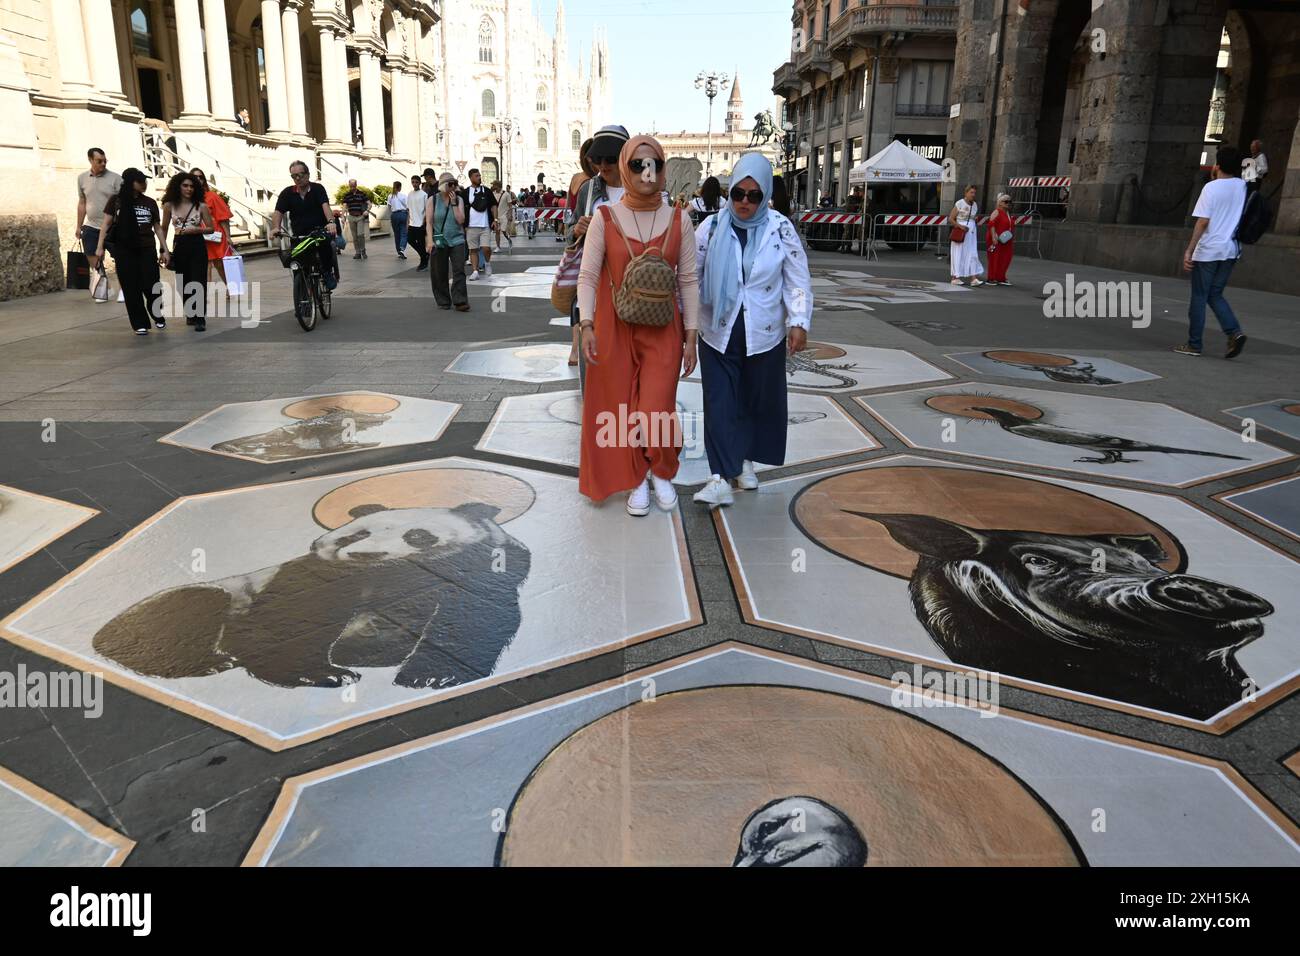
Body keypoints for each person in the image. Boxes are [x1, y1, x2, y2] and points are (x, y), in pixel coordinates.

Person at [577, 134, 700, 517]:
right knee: (619, 407)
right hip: (614, 324)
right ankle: (635, 477)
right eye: (637, 164)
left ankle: (660, 469)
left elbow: (689, 280)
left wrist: (691, 336)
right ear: (627, 168)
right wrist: (585, 324)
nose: (647, 172)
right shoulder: (604, 217)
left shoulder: (679, 218)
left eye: (655, 165)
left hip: (663, 327)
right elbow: (587, 275)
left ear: (662, 169)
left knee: (655, 406)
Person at [692, 153, 811, 508]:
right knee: (719, 402)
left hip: (764, 330)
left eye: (754, 195)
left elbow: (797, 278)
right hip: (717, 330)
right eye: (738, 194)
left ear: (766, 195)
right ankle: (718, 476)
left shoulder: (781, 228)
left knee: (754, 399)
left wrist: (799, 321)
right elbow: (691, 275)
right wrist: (684, 322)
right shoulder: (711, 227)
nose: (745, 202)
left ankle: (744, 460)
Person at [1176, 145, 1248, 359]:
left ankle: (1194, 344)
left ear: (1217, 165)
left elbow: (1203, 222)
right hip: (1231, 249)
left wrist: (1189, 250)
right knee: (1215, 294)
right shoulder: (1243, 186)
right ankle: (1234, 332)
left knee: (1199, 296)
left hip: (1209, 250)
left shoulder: (1211, 188)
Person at [569, 125, 630, 375]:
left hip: (632, 282)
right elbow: (569, 229)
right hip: (595, 281)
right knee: (595, 363)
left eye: (610, 160)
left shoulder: (641, 188)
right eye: (597, 159)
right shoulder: (590, 189)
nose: (603, 166)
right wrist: (576, 229)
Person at [94, 168, 168, 335]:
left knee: (151, 286)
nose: (144, 184)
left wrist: (164, 249)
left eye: (145, 181)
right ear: (130, 182)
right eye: (140, 181)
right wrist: (99, 247)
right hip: (124, 251)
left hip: (147, 249)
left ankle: (157, 314)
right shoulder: (116, 201)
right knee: (130, 288)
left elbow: (157, 227)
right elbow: (106, 224)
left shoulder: (149, 202)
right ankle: (140, 323)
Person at [160, 172, 215, 331]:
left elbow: (211, 228)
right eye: (185, 185)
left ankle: (200, 318)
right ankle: (190, 312)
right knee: (182, 282)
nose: (189, 189)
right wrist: (163, 250)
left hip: (197, 243)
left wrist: (196, 230)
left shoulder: (201, 206)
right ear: (178, 186)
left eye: (191, 186)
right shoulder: (169, 205)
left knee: (198, 280)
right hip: (179, 244)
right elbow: (163, 228)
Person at [270, 160, 338, 289]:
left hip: (318, 232)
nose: (297, 178)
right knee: (297, 263)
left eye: (300, 175)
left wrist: (330, 222)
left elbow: (325, 206)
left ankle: (328, 272)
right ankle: (302, 294)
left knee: (325, 248)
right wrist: (275, 228)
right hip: (299, 235)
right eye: (294, 176)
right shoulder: (287, 193)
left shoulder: (318, 189)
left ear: (307, 174)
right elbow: (278, 211)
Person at [76, 148, 122, 300]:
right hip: (92, 225)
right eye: (99, 161)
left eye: (104, 160)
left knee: (121, 258)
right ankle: (104, 289)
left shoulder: (116, 179)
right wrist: (78, 225)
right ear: (90, 160)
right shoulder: (82, 178)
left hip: (113, 227)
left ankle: (124, 289)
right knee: (92, 256)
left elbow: (124, 202)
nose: (103, 163)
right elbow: (82, 202)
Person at [427, 172, 470, 312]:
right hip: (439, 240)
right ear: (443, 185)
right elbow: (429, 222)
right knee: (439, 272)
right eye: (450, 184)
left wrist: (453, 204)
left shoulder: (459, 200)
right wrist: (429, 240)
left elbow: (461, 220)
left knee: (459, 270)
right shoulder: (433, 200)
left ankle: (460, 300)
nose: (453, 187)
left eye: (455, 184)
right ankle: (443, 300)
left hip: (457, 239)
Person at [189, 167, 232, 286]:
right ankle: (205, 292)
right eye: (195, 177)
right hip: (198, 235)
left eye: (201, 177)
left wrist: (228, 236)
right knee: (205, 264)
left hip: (215, 235)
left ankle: (229, 286)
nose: (198, 179)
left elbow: (222, 217)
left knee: (220, 264)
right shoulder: (188, 199)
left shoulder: (212, 196)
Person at [462, 168, 497, 279]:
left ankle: (487, 263)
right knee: (473, 250)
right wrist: (464, 225)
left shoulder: (486, 191)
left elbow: (493, 205)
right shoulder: (466, 192)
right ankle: (475, 271)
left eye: (479, 175)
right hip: (471, 226)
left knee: (486, 248)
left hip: (485, 225)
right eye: (476, 176)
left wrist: (495, 220)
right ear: (471, 177)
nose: (479, 177)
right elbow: (462, 208)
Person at [948, 185, 985, 286]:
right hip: (961, 233)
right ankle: (955, 277)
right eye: (971, 192)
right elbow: (951, 218)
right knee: (958, 254)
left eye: (974, 193)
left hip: (971, 234)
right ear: (966, 193)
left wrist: (975, 220)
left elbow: (973, 218)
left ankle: (973, 279)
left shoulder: (975, 205)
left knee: (972, 253)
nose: (973, 195)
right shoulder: (959, 203)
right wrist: (960, 226)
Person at [985, 193, 1015, 286]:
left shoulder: (1008, 214)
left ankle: (1000, 277)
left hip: (1006, 239)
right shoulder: (997, 211)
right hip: (996, 238)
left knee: (1006, 258)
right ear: (1000, 203)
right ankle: (991, 278)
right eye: (1006, 201)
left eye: (1010, 201)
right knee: (994, 258)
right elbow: (991, 224)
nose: (1008, 203)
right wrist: (994, 236)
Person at [342, 179, 371, 259]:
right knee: (354, 236)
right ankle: (357, 252)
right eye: (350, 186)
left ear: (356, 185)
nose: (352, 188)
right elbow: (344, 206)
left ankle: (363, 250)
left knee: (360, 234)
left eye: (353, 186)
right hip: (351, 217)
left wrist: (367, 211)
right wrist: (342, 216)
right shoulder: (347, 195)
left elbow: (369, 203)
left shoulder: (362, 194)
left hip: (360, 217)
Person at [405, 174, 429, 271]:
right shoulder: (410, 194)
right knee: (410, 240)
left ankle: (423, 262)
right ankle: (424, 255)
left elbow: (427, 209)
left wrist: (424, 221)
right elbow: (408, 209)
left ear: (419, 183)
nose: (414, 184)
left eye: (416, 182)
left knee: (421, 242)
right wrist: (407, 223)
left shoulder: (424, 195)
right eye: (413, 182)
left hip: (420, 223)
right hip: (412, 222)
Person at [386, 180, 409, 260]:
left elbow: (388, 207)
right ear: (400, 187)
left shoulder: (390, 196)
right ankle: (402, 248)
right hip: (403, 214)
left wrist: (390, 216)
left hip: (394, 215)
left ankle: (398, 251)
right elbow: (408, 207)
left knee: (397, 234)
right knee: (404, 232)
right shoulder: (403, 196)